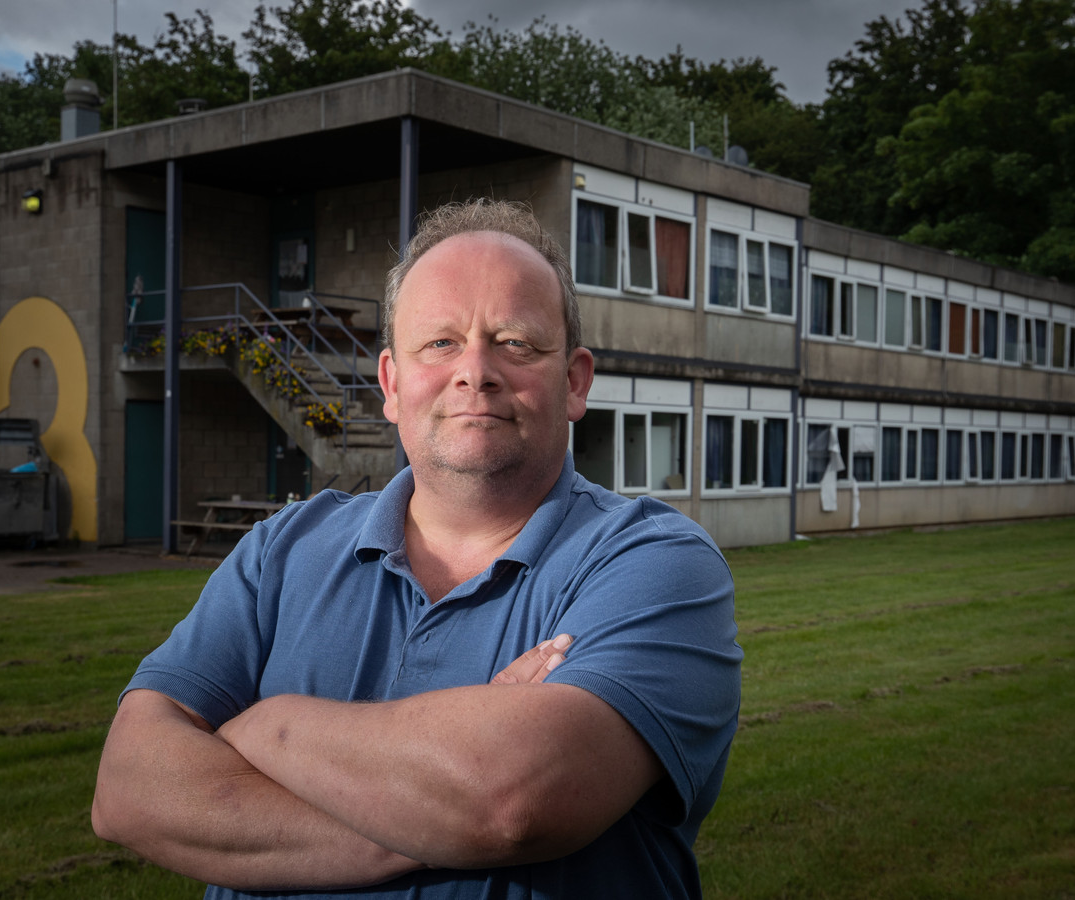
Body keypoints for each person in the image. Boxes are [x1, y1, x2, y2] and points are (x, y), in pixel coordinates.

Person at [92, 199, 743, 899]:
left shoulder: (657, 562)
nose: (476, 371)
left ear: (576, 380)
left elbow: (507, 802)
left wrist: (267, 729)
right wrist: (426, 814)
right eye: (440, 343)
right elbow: (128, 788)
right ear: (392, 384)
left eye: (516, 342)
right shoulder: (280, 552)